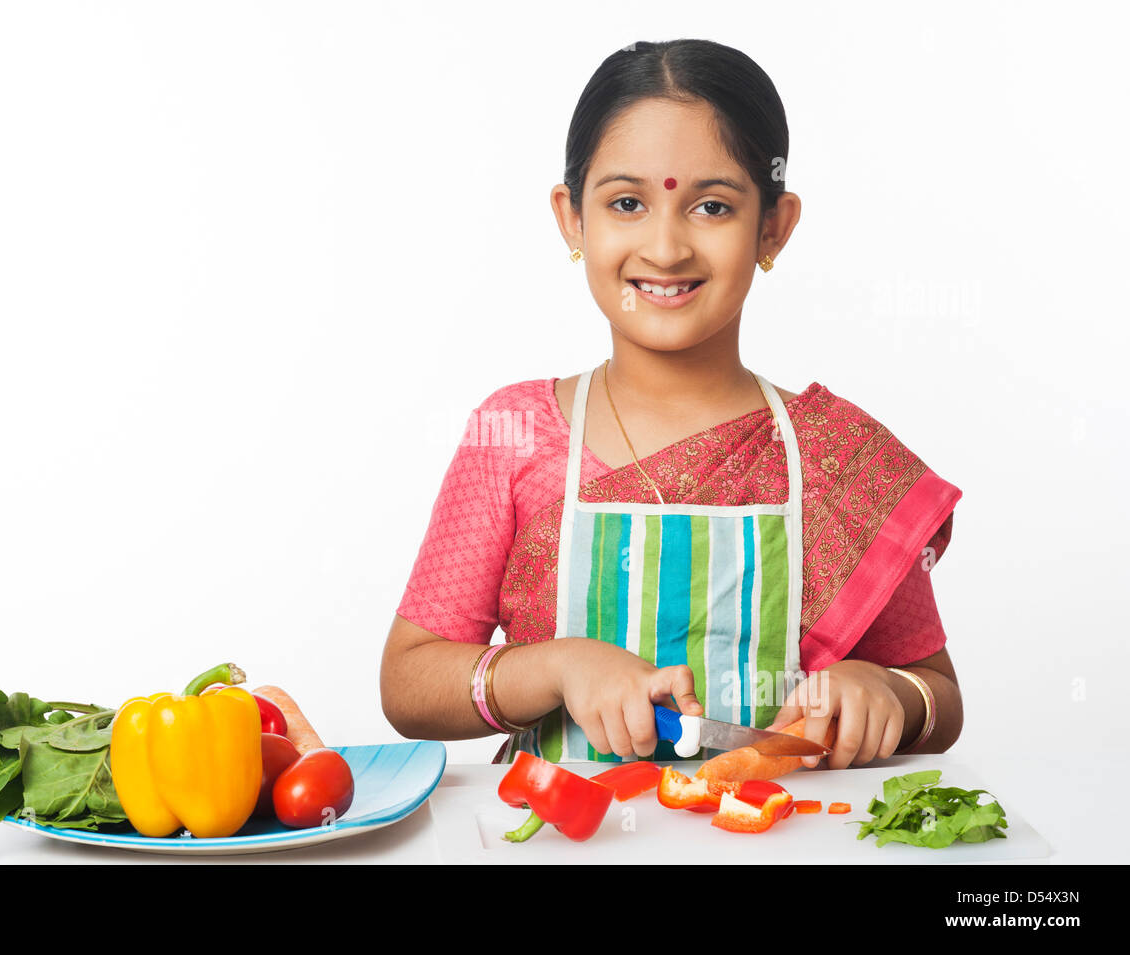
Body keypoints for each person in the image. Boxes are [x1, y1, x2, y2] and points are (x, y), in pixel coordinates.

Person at [379, 38, 963, 770]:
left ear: (773, 227)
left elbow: (939, 694)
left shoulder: (833, 452)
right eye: (627, 203)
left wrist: (886, 691)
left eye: (711, 206)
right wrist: (557, 665)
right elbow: (406, 681)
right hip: (557, 840)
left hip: (772, 834)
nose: (665, 246)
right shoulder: (519, 432)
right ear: (572, 218)